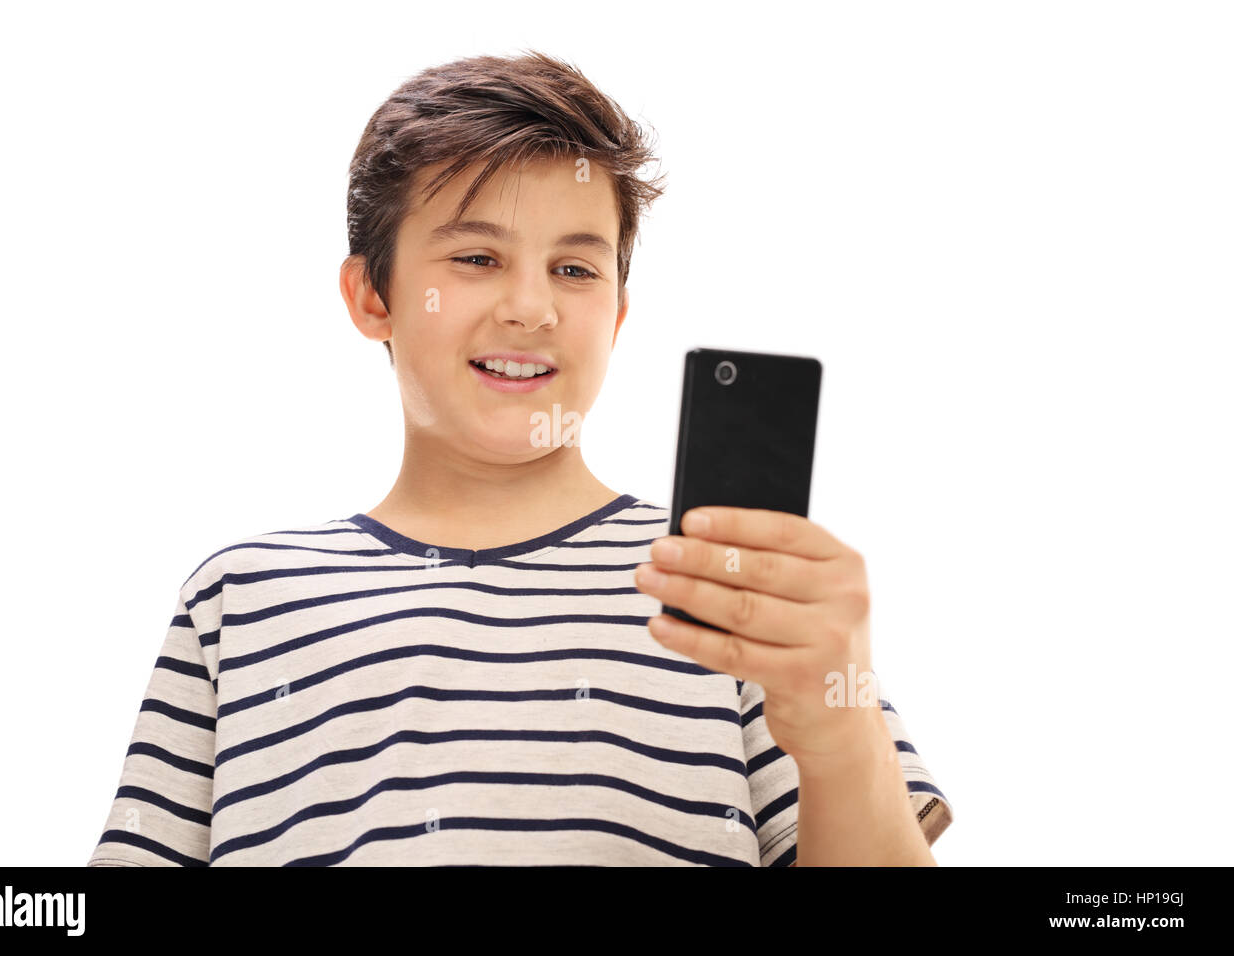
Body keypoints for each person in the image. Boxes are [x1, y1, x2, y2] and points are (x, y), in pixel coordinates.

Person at [87, 50, 952, 867]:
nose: (532, 308)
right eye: (476, 257)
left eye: (576, 270)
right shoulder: (236, 603)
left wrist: (841, 735)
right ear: (372, 295)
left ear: (616, 316)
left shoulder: (729, 591)